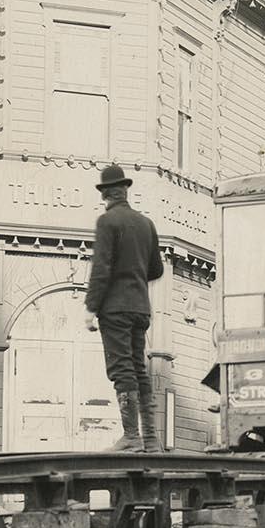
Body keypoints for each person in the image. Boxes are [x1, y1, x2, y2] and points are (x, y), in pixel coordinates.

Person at [84, 164, 166, 451]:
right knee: (138, 368)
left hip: (115, 309)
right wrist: (134, 272)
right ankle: (152, 439)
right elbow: (156, 270)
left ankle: (131, 436)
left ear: (105, 193)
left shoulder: (107, 223)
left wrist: (91, 307)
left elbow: (101, 269)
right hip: (141, 308)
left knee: (121, 369)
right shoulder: (146, 224)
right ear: (125, 190)